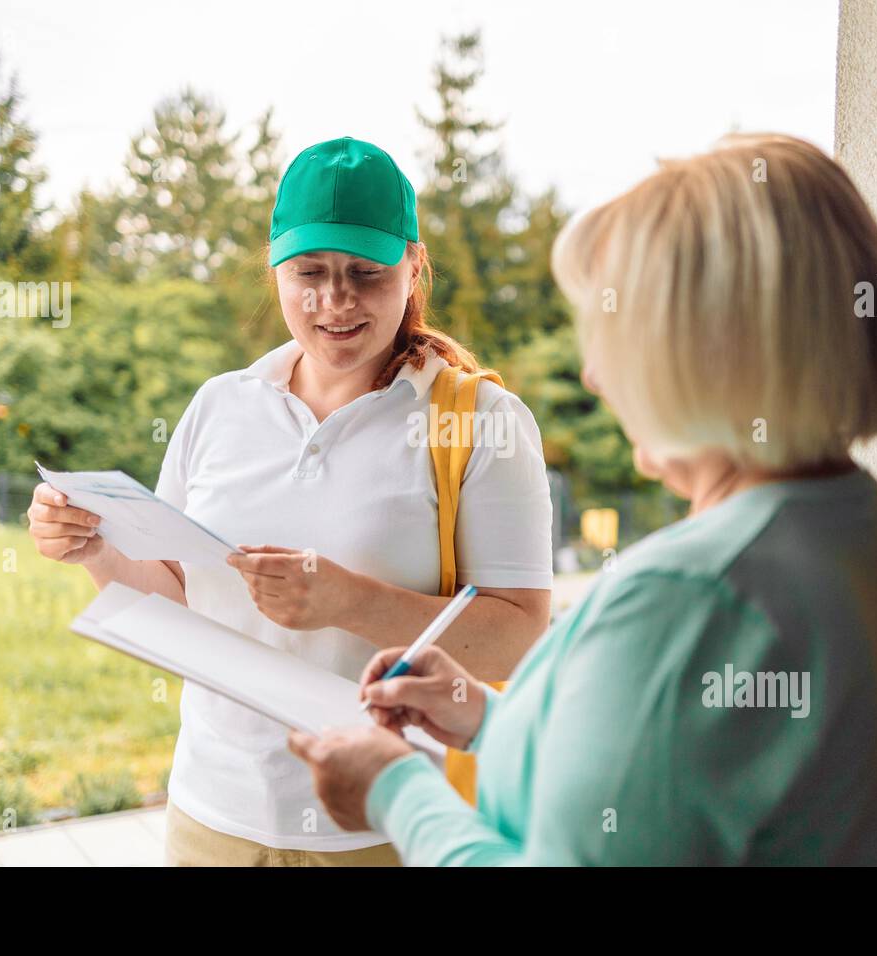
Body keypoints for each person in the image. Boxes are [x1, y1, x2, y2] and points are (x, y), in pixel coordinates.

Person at [289, 133, 877, 865]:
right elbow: (673, 788)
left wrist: (394, 790)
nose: (596, 375)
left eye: (616, 336)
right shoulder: (870, 536)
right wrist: (486, 718)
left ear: (707, 352)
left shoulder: (691, 596)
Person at [28, 136, 553, 865]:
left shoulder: (481, 422)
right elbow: (183, 605)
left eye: (365, 274)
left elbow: (520, 634)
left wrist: (348, 601)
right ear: (276, 266)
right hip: (211, 819)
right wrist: (96, 548)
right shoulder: (219, 405)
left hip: (383, 828)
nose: (334, 300)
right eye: (308, 271)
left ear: (414, 265)